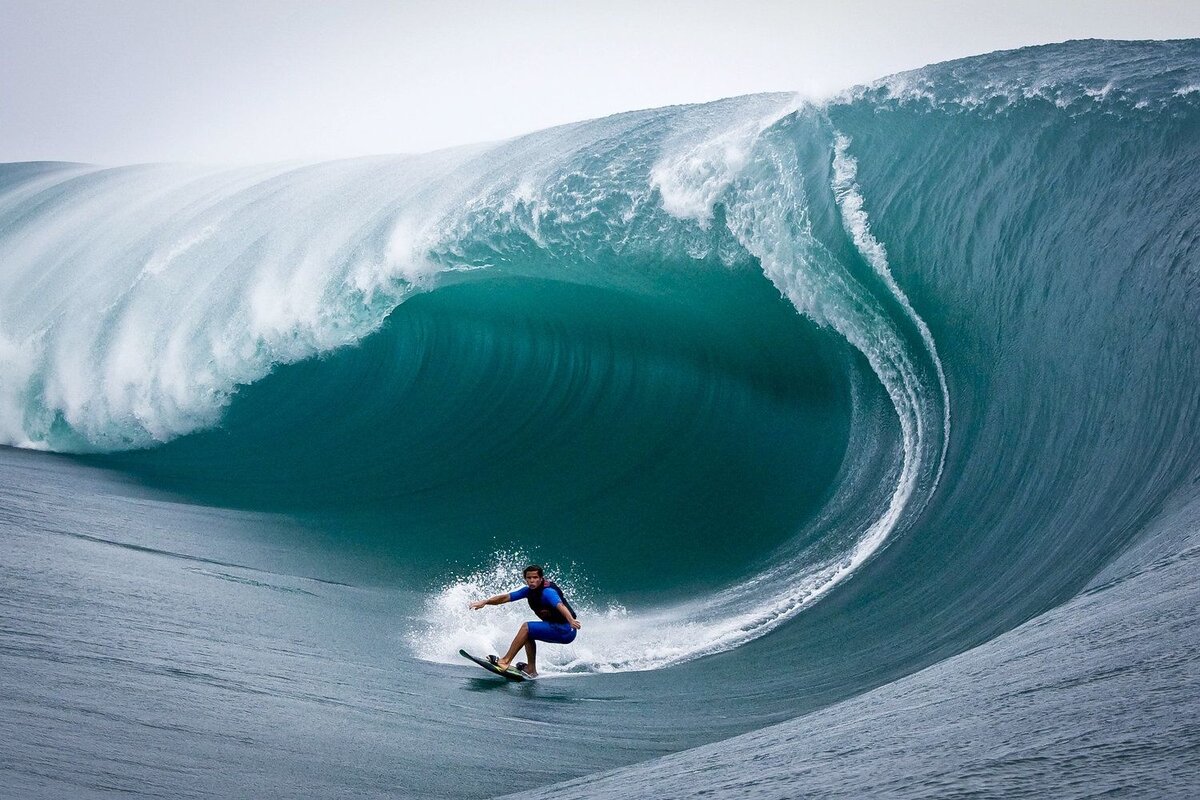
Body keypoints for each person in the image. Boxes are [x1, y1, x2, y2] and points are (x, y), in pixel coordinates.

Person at [469, 564, 581, 678]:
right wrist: (486, 602)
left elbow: (560, 605)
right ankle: (531, 669)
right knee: (528, 634)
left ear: (541, 578)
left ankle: (505, 661)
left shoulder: (548, 592)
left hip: (567, 629)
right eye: (529, 578)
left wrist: (571, 620)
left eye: (535, 578)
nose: (532, 581)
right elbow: (505, 598)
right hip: (557, 626)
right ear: (525, 579)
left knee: (526, 627)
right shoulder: (527, 591)